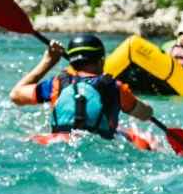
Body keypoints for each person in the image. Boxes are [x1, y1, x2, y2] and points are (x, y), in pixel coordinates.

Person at [9, 32, 160, 140]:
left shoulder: (57, 83)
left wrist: (48, 62)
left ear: (72, 62)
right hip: (102, 146)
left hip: (59, 143)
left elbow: (15, 95)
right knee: (143, 140)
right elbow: (145, 114)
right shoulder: (116, 87)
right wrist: (147, 107)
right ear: (101, 61)